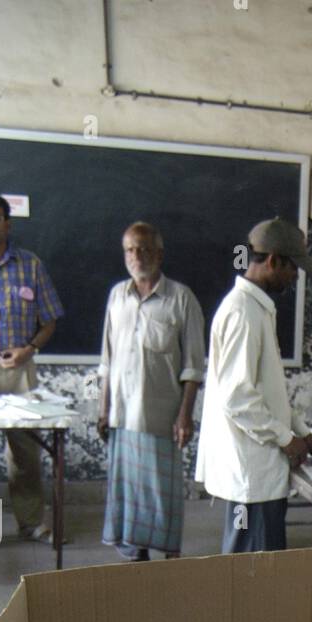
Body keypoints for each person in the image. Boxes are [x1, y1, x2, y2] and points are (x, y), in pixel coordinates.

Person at [195, 217, 312, 554]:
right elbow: (237, 398)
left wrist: (303, 433)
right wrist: (286, 439)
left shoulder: (256, 309)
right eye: (293, 268)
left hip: (258, 471)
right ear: (273, 261)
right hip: (252, 473)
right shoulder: (245, 314)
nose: (296, 276)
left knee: (254, 564)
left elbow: (269, 393)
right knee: (252, 569)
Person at [0, 192, 64, 555]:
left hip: (20, 366)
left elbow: (49, 318)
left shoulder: (30, 264)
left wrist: (30, 349)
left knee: (25, 450)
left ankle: (32, 524)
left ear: (9, 222)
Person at [98, 222, 205, 561]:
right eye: (130, 249)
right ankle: (134, 557)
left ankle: (169, 562)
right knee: (127, 497)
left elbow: (193, 366)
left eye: (144, 249)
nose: (137, 256)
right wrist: (103, 409)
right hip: (122, 416)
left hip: (161, 417)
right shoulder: (117, 296)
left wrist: (185, 416)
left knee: (162, 497)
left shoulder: (181, 298)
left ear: (159, 254)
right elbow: (107, 360)